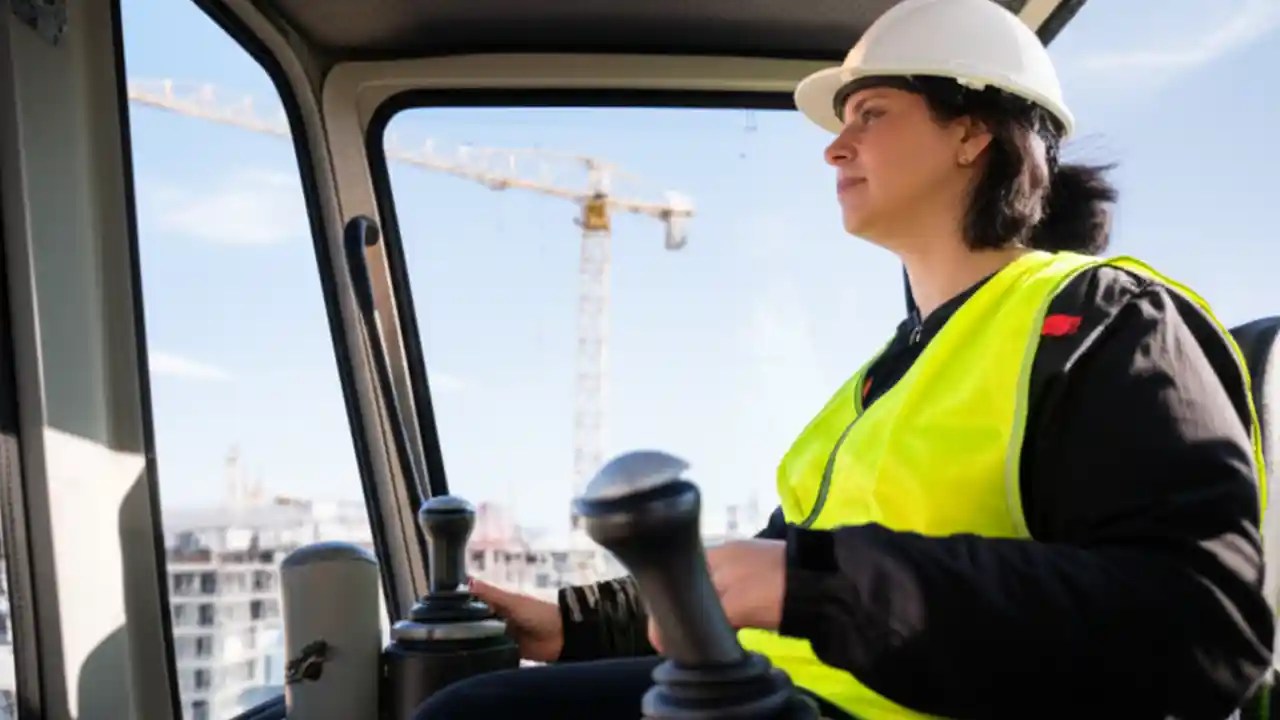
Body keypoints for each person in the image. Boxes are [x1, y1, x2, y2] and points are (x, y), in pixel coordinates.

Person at [414, 0, 1273, 717]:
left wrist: (813, 586)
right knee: (472, 704)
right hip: (799, 691)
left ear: (972, 132)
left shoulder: (1106, 322)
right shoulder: (887, 375)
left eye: (871, 115)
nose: (834, 145)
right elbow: (756, 568)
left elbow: (1206, 623)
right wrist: (566, 625)